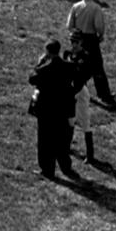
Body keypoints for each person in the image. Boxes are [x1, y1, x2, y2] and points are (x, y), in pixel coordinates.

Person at [28, 40, 78, 178]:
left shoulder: (44, 69)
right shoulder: (69, 66)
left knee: (45, 142)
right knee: (62, 141)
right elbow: (77, 79)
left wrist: (39, 64)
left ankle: (47, 170)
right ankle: (66, 167)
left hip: (46, 110)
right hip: (63, 109)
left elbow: (32, 79)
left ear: (47, 52)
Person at [66, 0, 113, 104]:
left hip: (78, 39)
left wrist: (76, 34)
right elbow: (99, 26)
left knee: (79, 66)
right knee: (97, 66)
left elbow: (69, 25)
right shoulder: (96, 8)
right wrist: (101, 35)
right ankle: (103, 94)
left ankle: (78, 90)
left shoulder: (76, 6)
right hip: (91, 39)